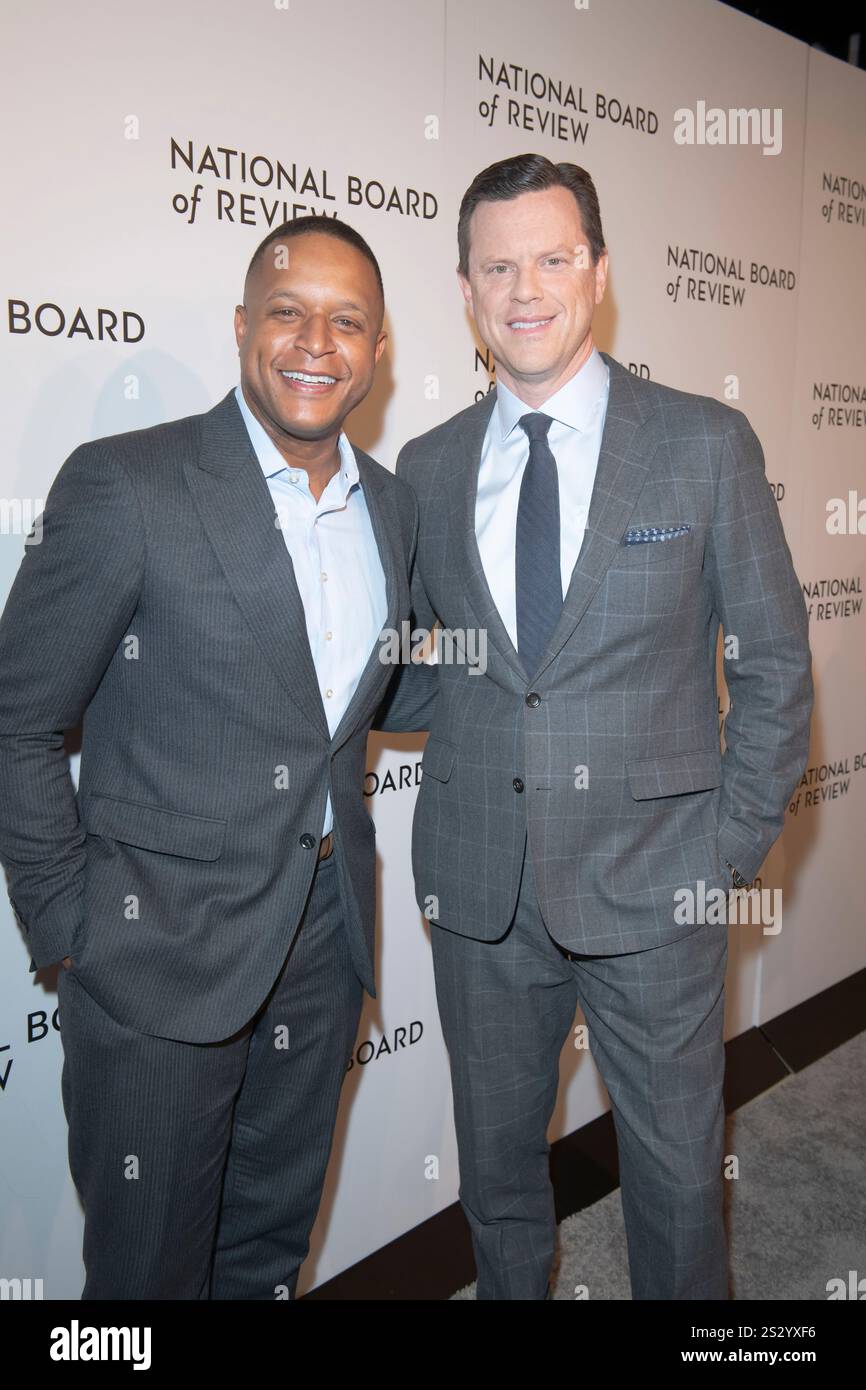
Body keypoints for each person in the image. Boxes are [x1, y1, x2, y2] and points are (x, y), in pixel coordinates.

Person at [377, 153, 813, 1300]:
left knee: (675, 1180)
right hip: (481, 895)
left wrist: (719, 854)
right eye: (497, 266)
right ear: (466, 291)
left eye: (553, 258)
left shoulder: (702, 444)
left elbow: (769, 667)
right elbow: (409, 670)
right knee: (499, 1178)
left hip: (656, 885)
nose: (526, 288)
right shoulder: (421, 470)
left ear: (599, 271)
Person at [0, 214, 417, 1299]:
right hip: (156, 961)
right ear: (243, 327)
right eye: (287, 313)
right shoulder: (126, 484)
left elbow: (367, 699)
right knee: (143, 1279)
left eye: (345, 322)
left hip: (321, 953)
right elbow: (17, 717)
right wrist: (70, 929)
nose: (314, 343)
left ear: (376, 352)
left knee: (267, 1258)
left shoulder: (396, 508)